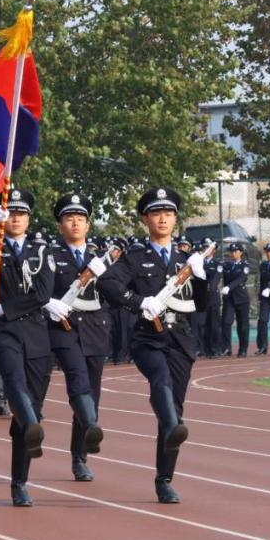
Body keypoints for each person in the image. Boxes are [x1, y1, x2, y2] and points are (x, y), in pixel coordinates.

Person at [98, 187, 209, 504]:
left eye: (169, 213)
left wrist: (201, 277)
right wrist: (138, 301)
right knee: (160, 380)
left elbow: (201, 305)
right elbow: (107, 283)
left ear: (175, 219)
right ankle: (172, 426)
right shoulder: (136, 257)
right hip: (148, 338)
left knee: (173, 408)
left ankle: (164, 479)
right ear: (145, 219)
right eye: (156, 213)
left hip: (180, 340)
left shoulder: (186, 259)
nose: (163, 218)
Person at [0, 188, 52, 507]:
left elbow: (43, 293)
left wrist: (5, 307)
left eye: (21, 213)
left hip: (34, 333)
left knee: (31, 404)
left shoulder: (41, 250)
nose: (16, 218)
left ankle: (20, 478)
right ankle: (29, 431)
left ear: (29, 218)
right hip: (4, 333)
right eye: (11, 213)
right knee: (15, 385)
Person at [45, 193, 108, 482]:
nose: (75, 223)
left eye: (80, 219)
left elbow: (114, 293)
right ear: (60, 225)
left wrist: (107, 277)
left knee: (91, 393)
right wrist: (48, 303)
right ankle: (91, 427)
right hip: (64, 329)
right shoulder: (50, 256)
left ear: (88, 225)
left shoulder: (99, 259)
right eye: (69, 219)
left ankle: (79, 455)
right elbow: (40, 288)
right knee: (78, 380)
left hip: (95, 330)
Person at [221, 243, 251, 357]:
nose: (233, 253)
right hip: (229, 299)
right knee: (226, 322)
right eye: (231, 251)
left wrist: (229, 287)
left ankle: (243, 349)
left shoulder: (245, 265)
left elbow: (241, 278)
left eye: (235, 251)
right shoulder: (227, 265)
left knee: (242, 325)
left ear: (241, 252)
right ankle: (226, 348)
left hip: (241, 298)